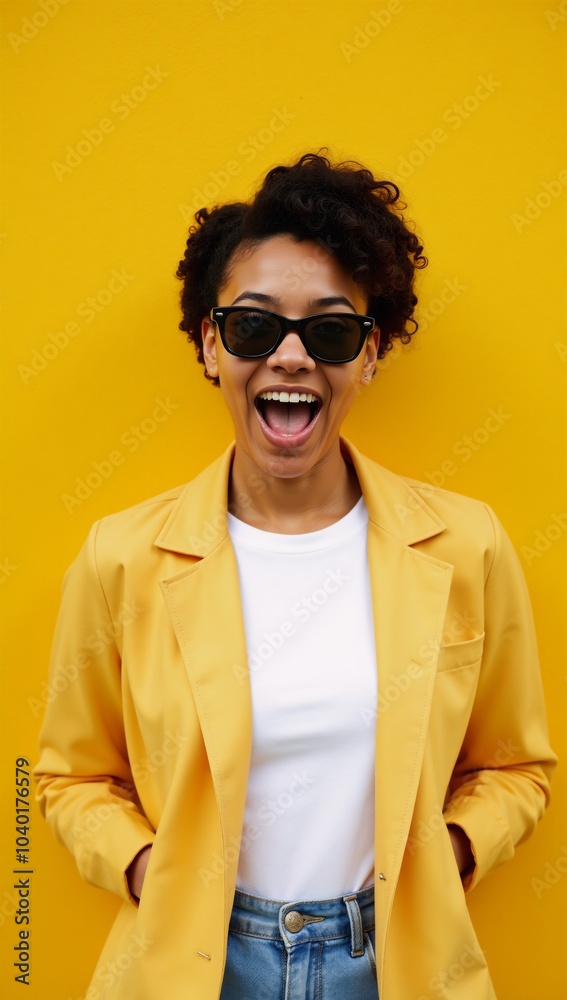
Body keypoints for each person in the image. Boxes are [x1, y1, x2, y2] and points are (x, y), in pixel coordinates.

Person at [34, 151, 557, 1000]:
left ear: (369, 353)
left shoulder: (465, 546)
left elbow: (514, 766)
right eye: (253, 327)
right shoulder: (121, 557)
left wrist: (451, 854)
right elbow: (71, 775)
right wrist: (144, 868)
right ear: (211, 345)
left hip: (391, 960)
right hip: (194, 963)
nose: (289, 356)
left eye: (329, 331)